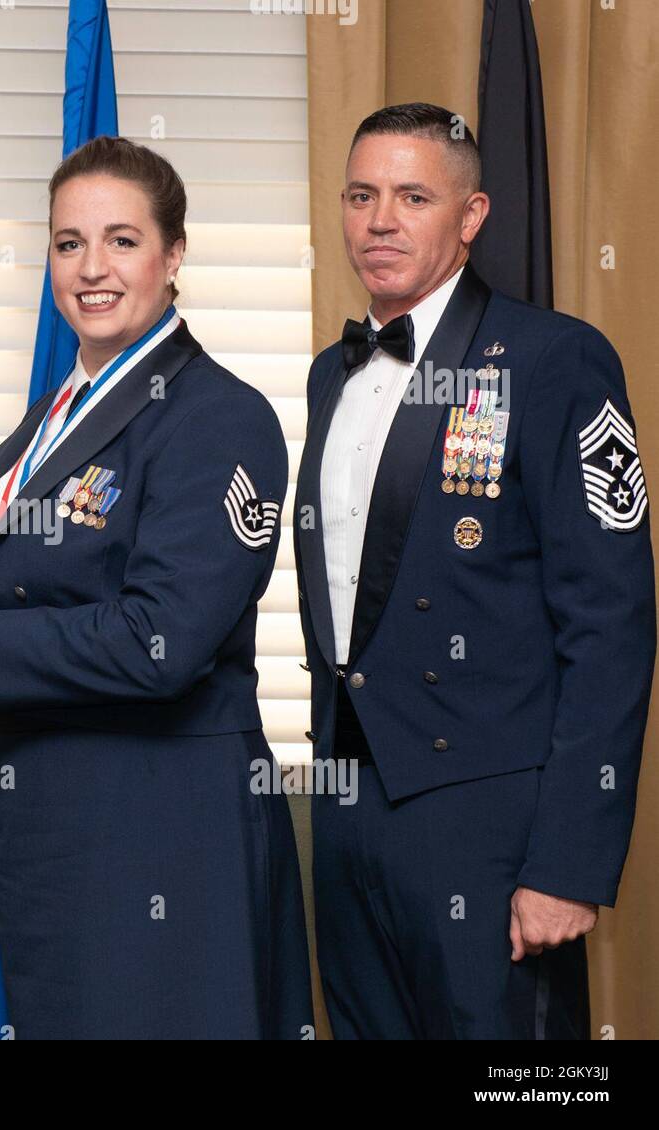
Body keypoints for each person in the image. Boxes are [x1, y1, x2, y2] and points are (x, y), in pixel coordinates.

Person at [0, 137, 313, 1039]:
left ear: (174, 253)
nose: (92, 268)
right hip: (56, 838)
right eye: (68, 243)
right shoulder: (49, 420)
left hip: (161, 837)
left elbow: (162, 644)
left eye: (121, 240)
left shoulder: (217, 417)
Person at [295, 103, 655, 1039]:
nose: (381, 221)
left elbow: (611, 628)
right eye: (362, 195)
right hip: (347, 806)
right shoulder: (328, 376)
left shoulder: (554, 360)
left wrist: (568, 865)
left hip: (491, 822)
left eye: (414, 196)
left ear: (472, 215)